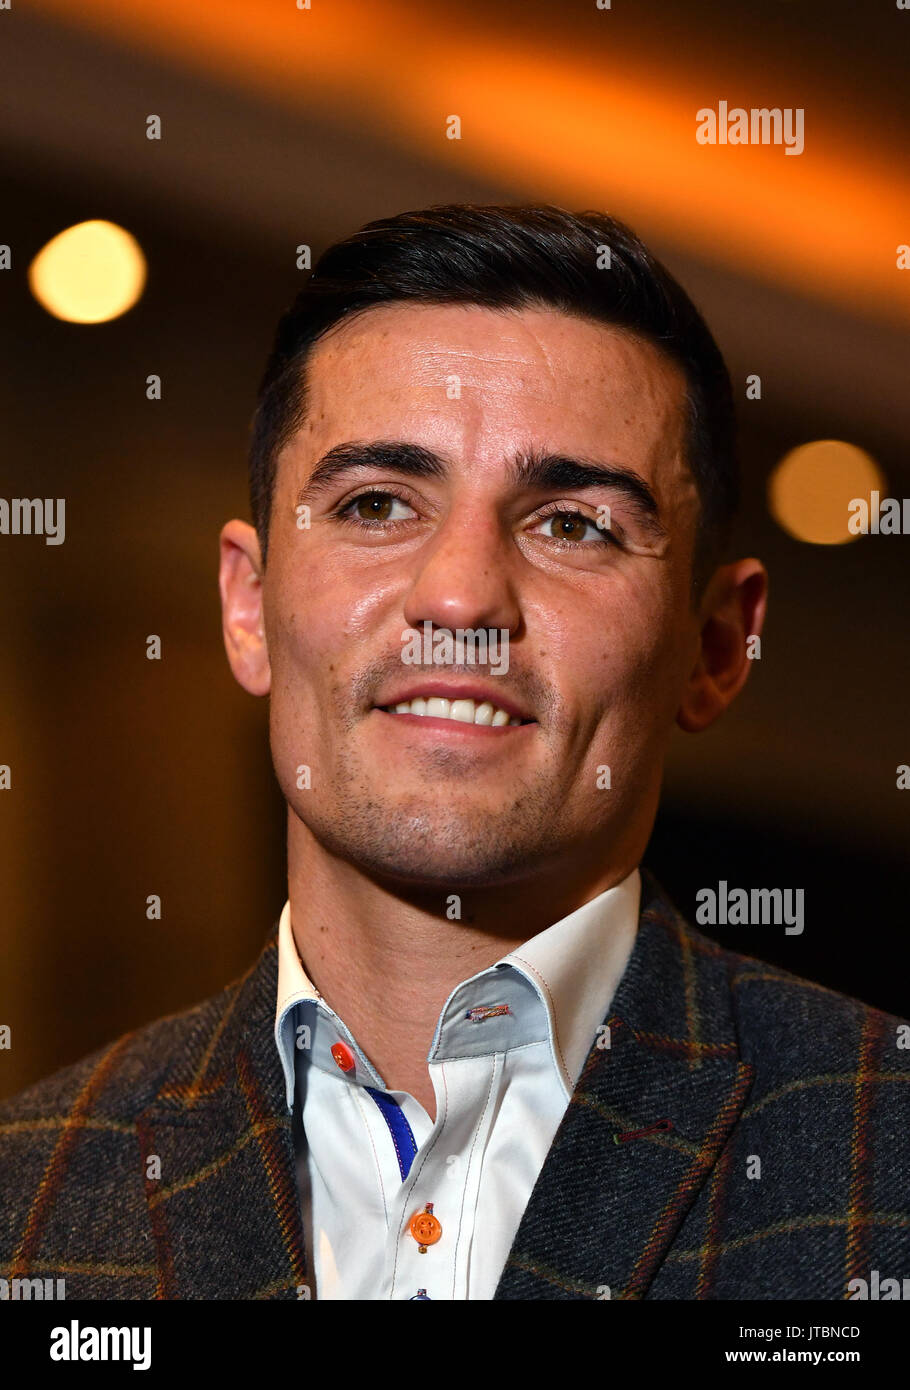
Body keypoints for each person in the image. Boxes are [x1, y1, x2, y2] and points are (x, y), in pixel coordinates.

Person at [1, 204, 907, 1302]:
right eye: (378, 503)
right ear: (247, 607)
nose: (460, 597)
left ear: (715, 647)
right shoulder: (24, 1191)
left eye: (572, 524)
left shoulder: (882, 1148)